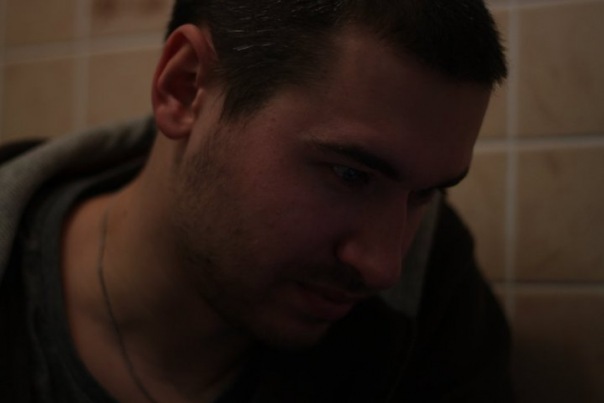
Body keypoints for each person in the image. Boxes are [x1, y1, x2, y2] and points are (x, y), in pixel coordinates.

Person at [0, 0, 512, 401]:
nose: (383, 268)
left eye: (425, 193)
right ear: (185, 88)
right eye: (350, 175)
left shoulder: (432, 292)